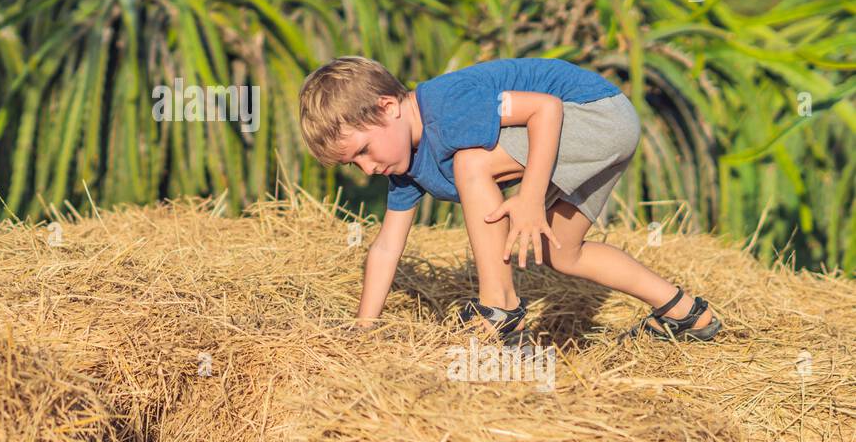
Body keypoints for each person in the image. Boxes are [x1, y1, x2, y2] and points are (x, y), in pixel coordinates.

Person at [298, 56, 722, 345]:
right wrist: (362, 331)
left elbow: (547, 109)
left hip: (596, 113)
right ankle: (685, 313)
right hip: (607, 134)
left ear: (387, 107)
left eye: (363, 151)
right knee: (561, 251)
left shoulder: (445, 106)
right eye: (353, 164)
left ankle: (498, 308)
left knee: (472, 162)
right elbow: (387, 247)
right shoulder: (406, 166)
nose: (367, 168)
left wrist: (530, 198)